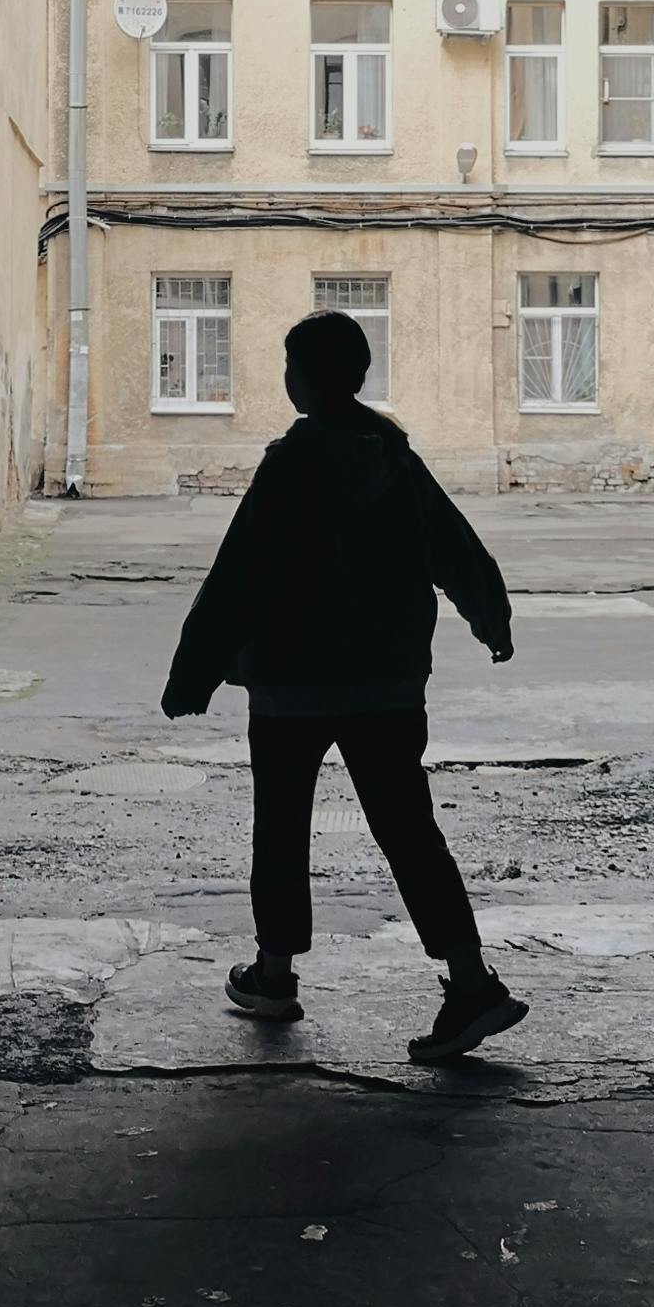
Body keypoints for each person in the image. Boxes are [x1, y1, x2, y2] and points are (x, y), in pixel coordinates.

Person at [160, 306, 529, 1063]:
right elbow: (455, 546)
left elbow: (238, 574)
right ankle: (470, 981)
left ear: (301, 379)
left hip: (292, 685)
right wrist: (490, 617)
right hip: (386, 683)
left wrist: (194, 670)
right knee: (410, 832)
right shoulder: (394, 460)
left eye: (289, 366)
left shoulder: (290, 465)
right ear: (358, 376)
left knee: (281, 829)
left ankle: (274, 975)